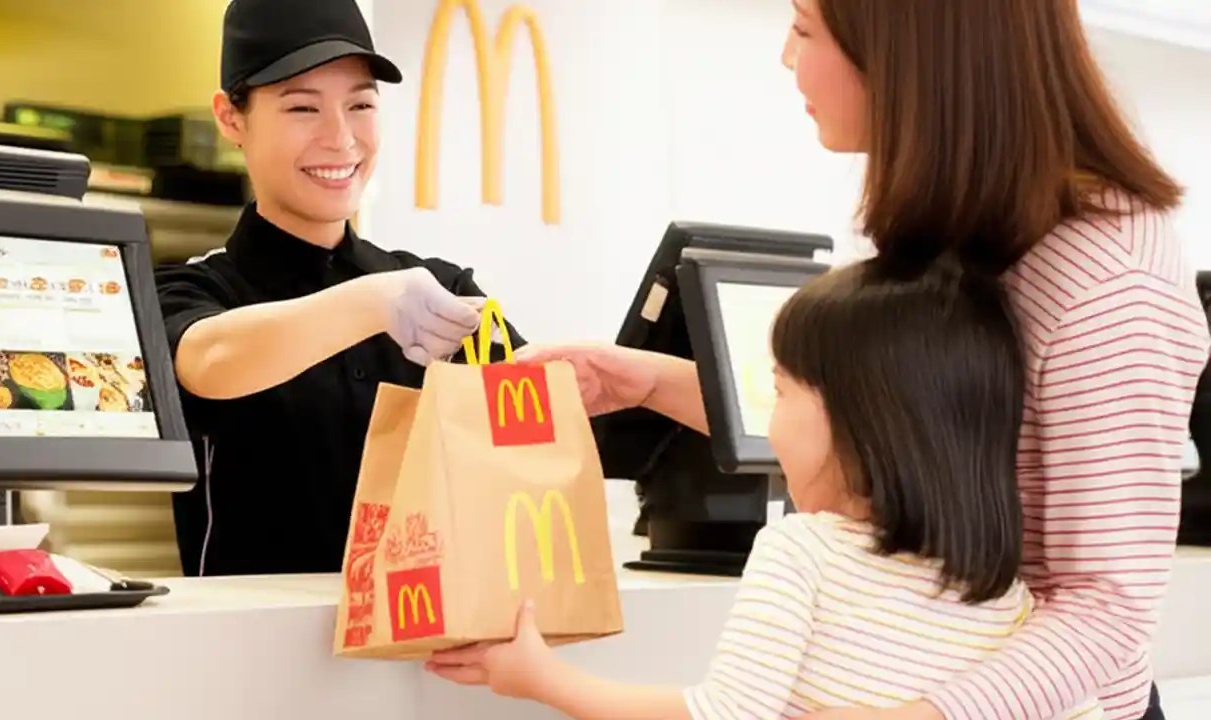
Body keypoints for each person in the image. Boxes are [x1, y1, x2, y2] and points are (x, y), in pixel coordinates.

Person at [439, 1, 1210, 719]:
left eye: (805, 29)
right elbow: (885, 438)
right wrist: (652, 383)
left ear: (908, 49)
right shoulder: (948, 221)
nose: (784, 57)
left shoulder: (1109, 283)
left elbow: (1103, 614)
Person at [427, 256, 1104, 719]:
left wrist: (543, 680)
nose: (765, 419)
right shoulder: (1001, 584)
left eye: (777, 391)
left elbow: (723, 715)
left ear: (859, 425)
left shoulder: (801, 551)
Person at [154, 0, 523, 577]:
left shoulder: (442, 286)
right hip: (243, 653)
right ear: (231, 118)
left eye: (361, 105)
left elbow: (532, 433)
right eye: (303, 107)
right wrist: (371, 302)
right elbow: (209, 359)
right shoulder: (190, 288)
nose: (341, 138)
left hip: (426, 652)